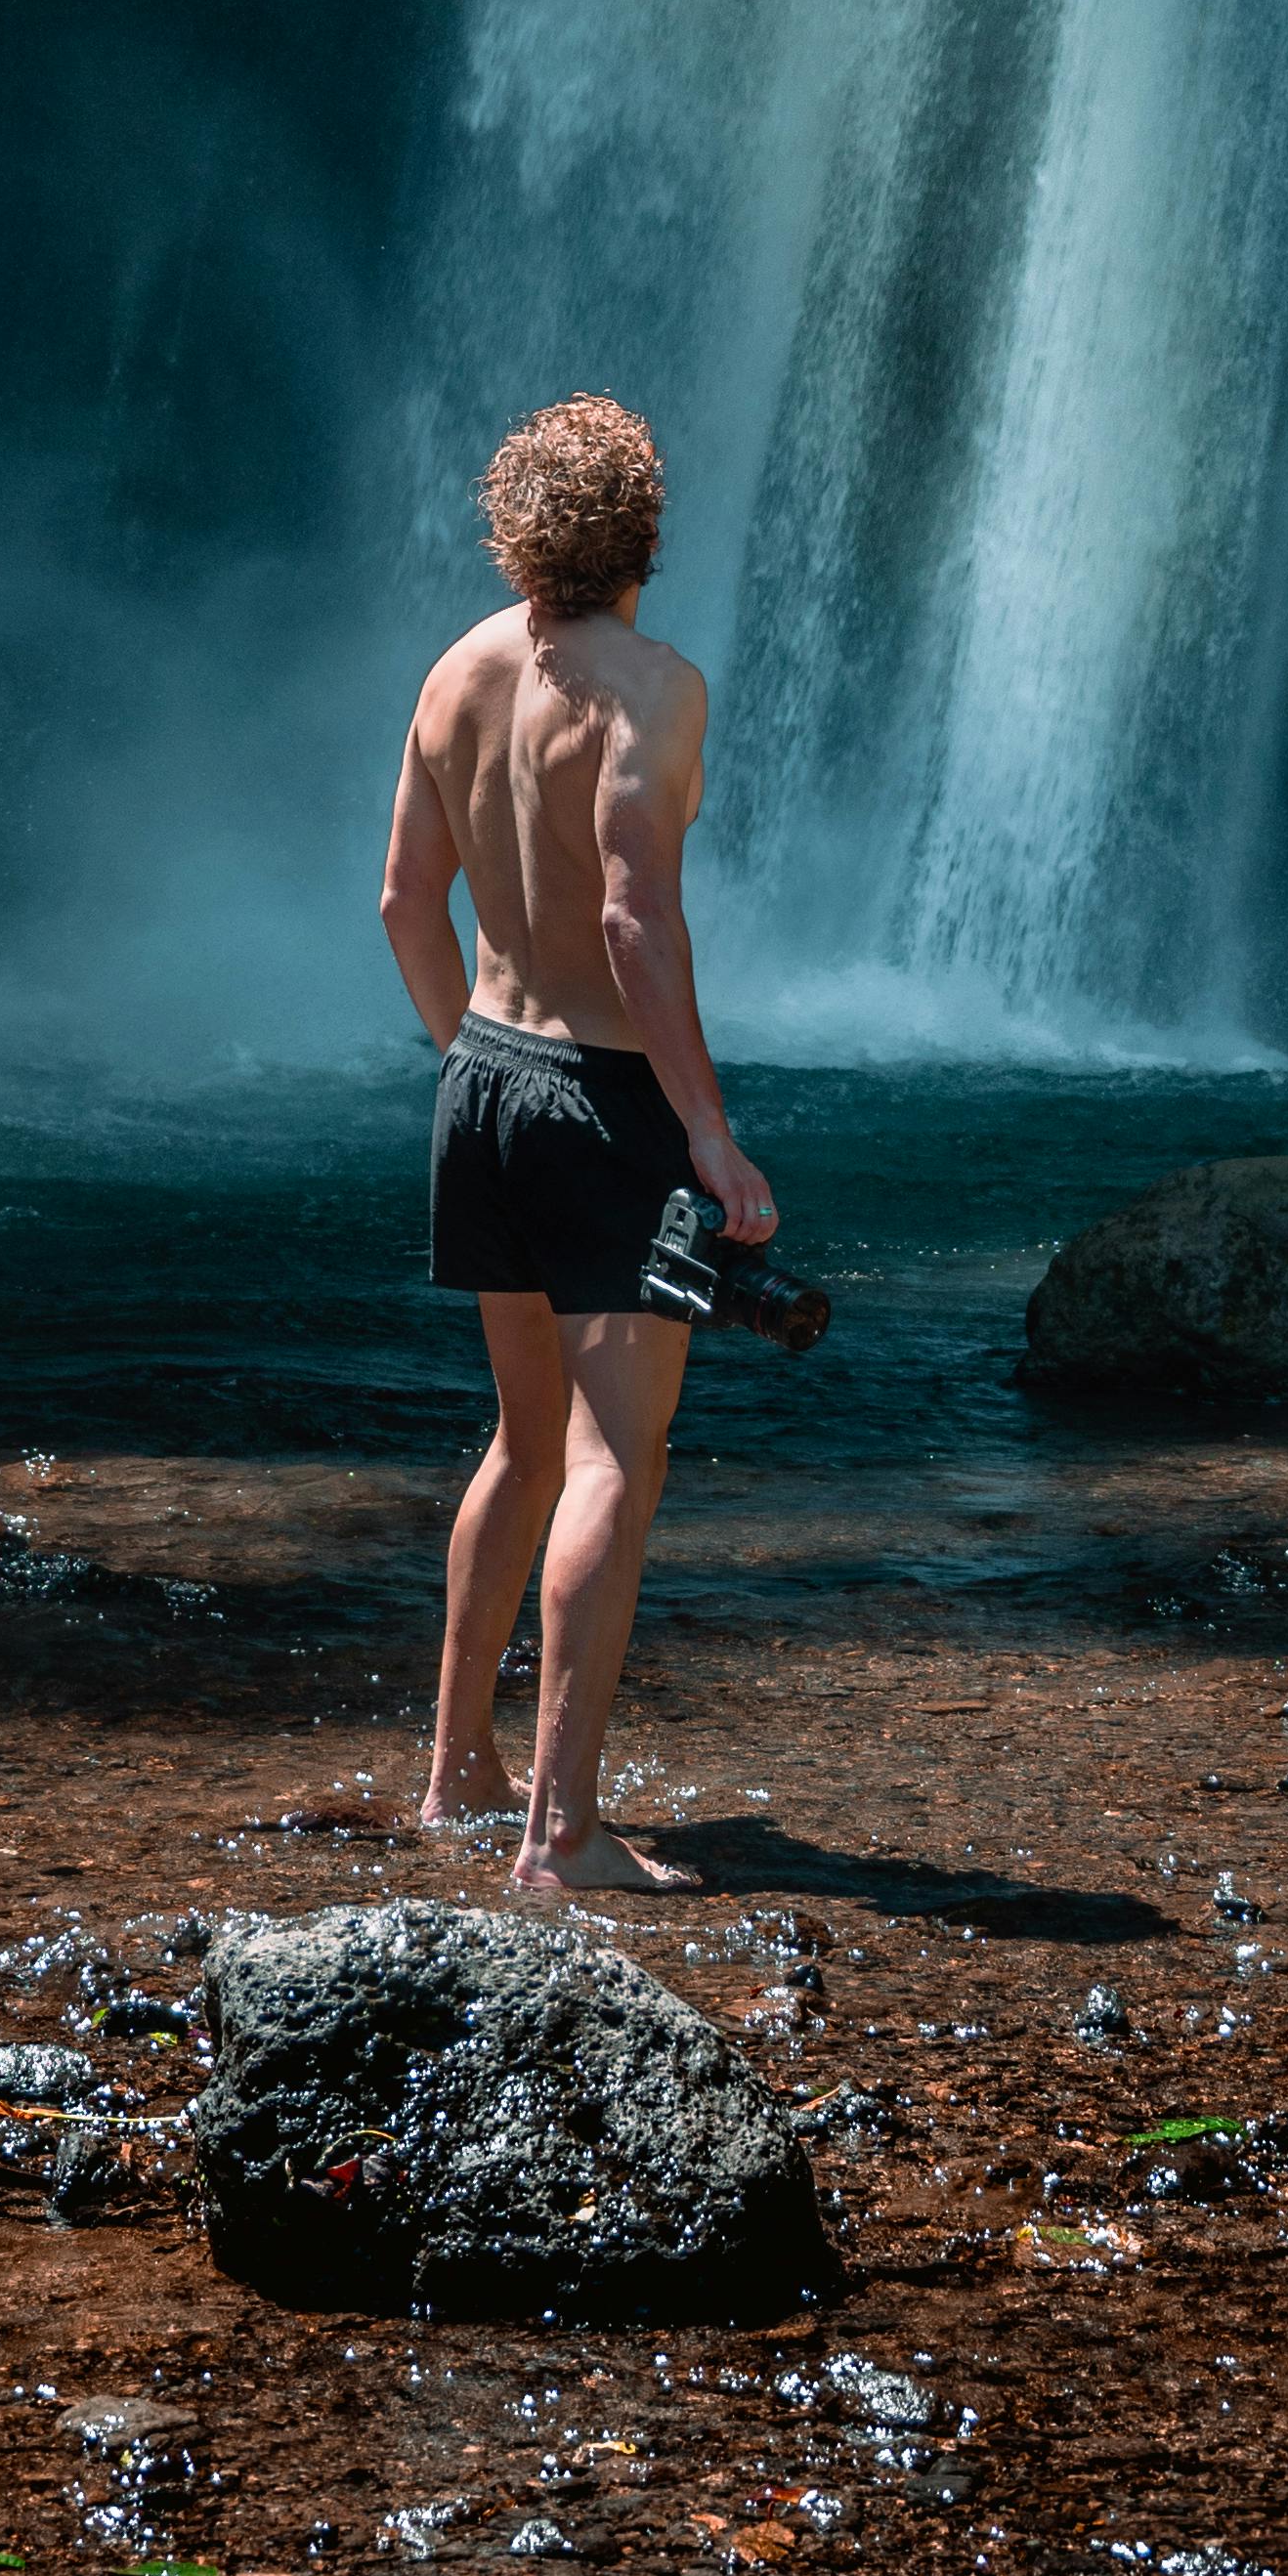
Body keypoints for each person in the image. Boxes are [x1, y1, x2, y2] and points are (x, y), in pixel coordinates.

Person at [377, 390, 776, 1899]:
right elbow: (632, 920)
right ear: (647, 536)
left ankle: (457, 1772)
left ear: (514, 528)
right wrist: (709, 1137)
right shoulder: (654, 688)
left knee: (524, 1440)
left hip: (481, 1075)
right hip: (599, 1103)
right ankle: (561, 1832)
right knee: (619, 1457)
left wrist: (463, 1062)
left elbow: (407, 905)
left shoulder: (455, 672)